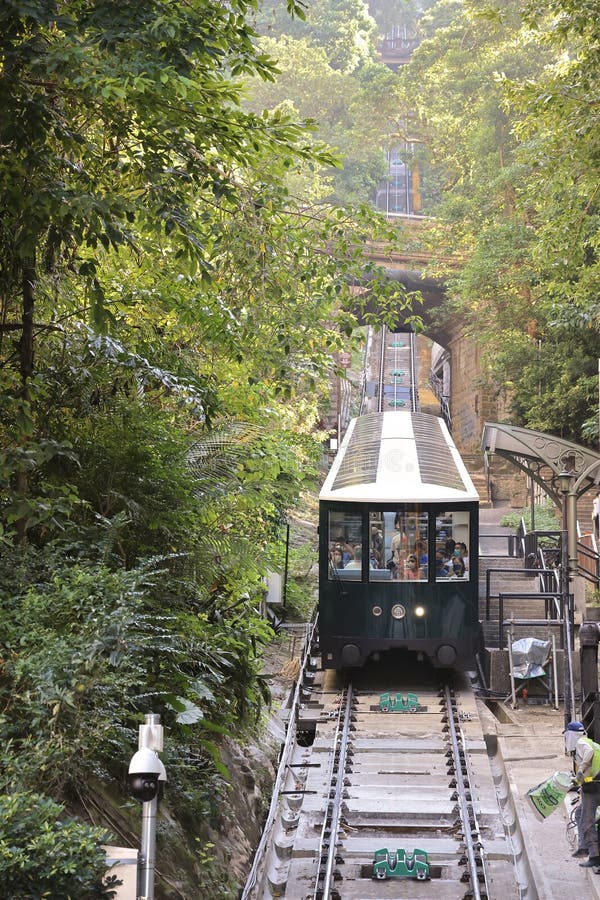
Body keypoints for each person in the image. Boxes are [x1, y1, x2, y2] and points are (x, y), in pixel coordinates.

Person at [573, 731, 600, 868]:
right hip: (594, 783)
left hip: (592, 787)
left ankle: (594, 856)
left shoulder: (581, 743)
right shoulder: (595, 744)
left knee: (586, 821)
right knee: (579, 813)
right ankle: (584, 847)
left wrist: (581, 768)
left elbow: (588, 754)